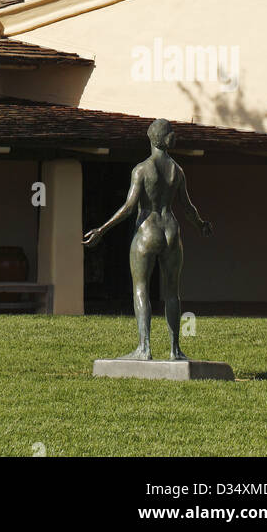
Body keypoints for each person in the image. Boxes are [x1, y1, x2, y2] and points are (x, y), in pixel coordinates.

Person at [82, 118, 212, 360]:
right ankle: (174, 350)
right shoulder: (176, 170)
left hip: (147, 230)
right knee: (172, 292)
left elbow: (130, 206)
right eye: (171, 133)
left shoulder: (142, 169)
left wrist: (102, 229)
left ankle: (144, 348)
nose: (174, 136)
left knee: (141, 288)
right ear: (163, 138)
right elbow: (187, 207)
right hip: (171, 230)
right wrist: (200, 225)